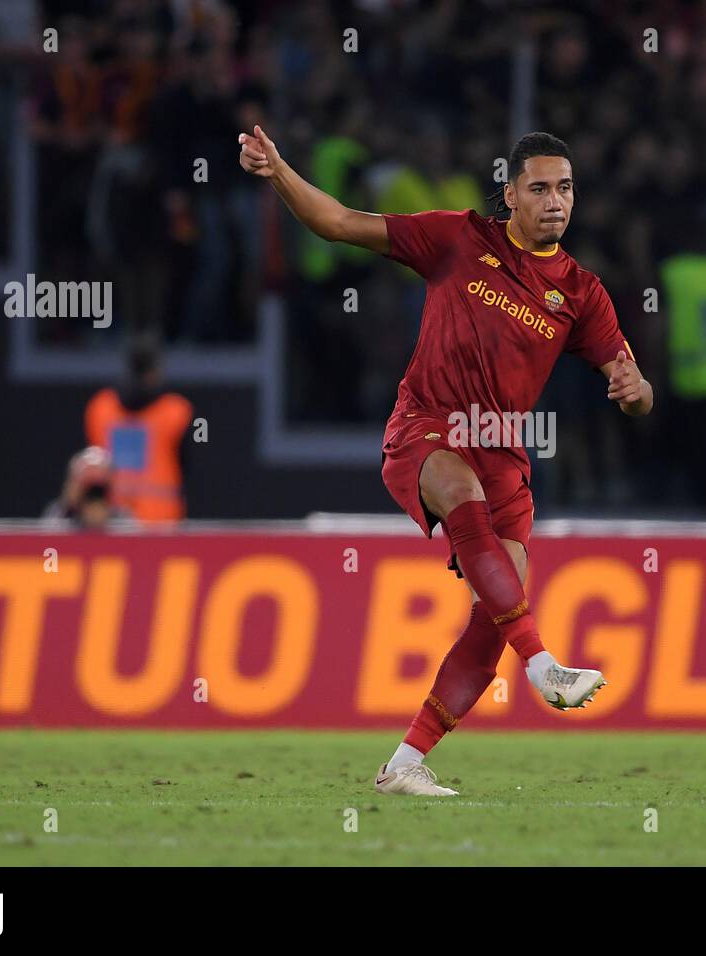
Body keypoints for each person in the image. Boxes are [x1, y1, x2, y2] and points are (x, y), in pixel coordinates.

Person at [239, 124, 653, 796]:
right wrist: (279, 170)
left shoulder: (579, 292)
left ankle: (404, 764)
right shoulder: (458, 239)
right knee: (459, 491)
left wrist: (636, 390)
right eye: (541, 188)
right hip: (427, 429)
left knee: (493, 619)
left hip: (505, 455)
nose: (556, 201)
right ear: (510, 195)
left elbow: (636, 389)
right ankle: (544, 665)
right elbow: (339, 223)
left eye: (566, 188)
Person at [85, 335, 193, 524]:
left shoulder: (101, 408)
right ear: (154, 372)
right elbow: (187, 470)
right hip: (162, 524)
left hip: (111, 524)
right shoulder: (176, 412)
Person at [42, 446, 131, 531]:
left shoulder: (123, 520)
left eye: (98, 486)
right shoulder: (59, 515)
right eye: (87, 484)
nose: (93, 493)